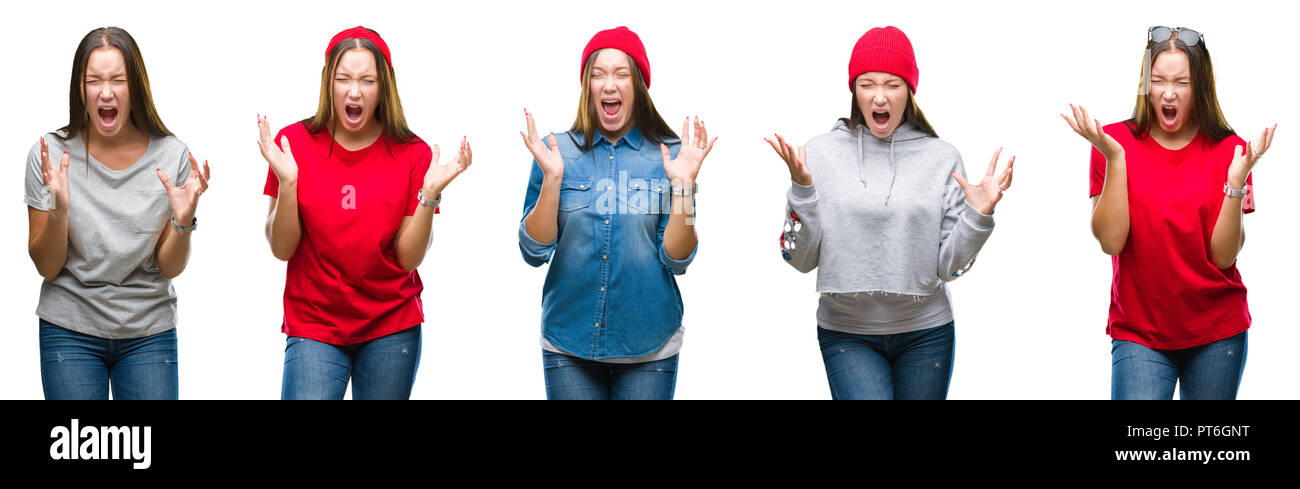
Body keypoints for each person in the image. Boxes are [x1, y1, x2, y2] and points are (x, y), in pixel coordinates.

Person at [770, 26, 1012, 400]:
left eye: (892, 84)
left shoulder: (942, 158)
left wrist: (978, 215)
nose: (879, 96)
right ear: (854, 90)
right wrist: (802, 190)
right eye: (867, 84)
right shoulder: (818, 154)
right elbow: (799, 260)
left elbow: (949, 269)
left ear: (909, 91)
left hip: (927, 333)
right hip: (846, 333)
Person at [1063, 26, 1275, 400]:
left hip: (1217, 332)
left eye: (1182, 82)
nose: (1169, 93)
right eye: (1159, 80)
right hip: (1139, 333)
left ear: (1200, 87)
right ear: (1146, 83)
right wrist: (1115, 159)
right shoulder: (1112, 143)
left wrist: (1236, 181)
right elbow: (1111, 242)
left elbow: (1224, 257)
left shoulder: (1232, 150)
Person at [260, 26, 471, 400]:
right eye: (343, 79)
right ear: (328, 82)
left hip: (390, 324)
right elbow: (282, 248)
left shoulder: (414, 153)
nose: (354, 91)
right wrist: (288, 183)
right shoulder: (293, 144)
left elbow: (408, 258)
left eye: (367, 81)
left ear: (383, 86)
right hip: (314, 324)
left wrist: (429, 195)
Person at [517, 26, 715, 400]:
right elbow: (533, 251)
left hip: (650, 344)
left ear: (638, 85)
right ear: (587, 86)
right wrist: (553, 178)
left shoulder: (672, 155)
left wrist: (684, 187)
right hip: (568, 341)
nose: (609, 85)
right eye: (598, 74)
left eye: (621, 74)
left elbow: (678, 259)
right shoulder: (556, 152)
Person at [25, 27, 211, 400]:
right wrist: (60, 208)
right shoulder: (49, 155)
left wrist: (183, 221)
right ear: (80, 88)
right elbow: (47, 266)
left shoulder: (172, 156)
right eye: (93, 80)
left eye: (118, 80)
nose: (106, 92)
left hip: (149, 332)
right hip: (68, 329)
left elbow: (170, 268)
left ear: (136, 87)